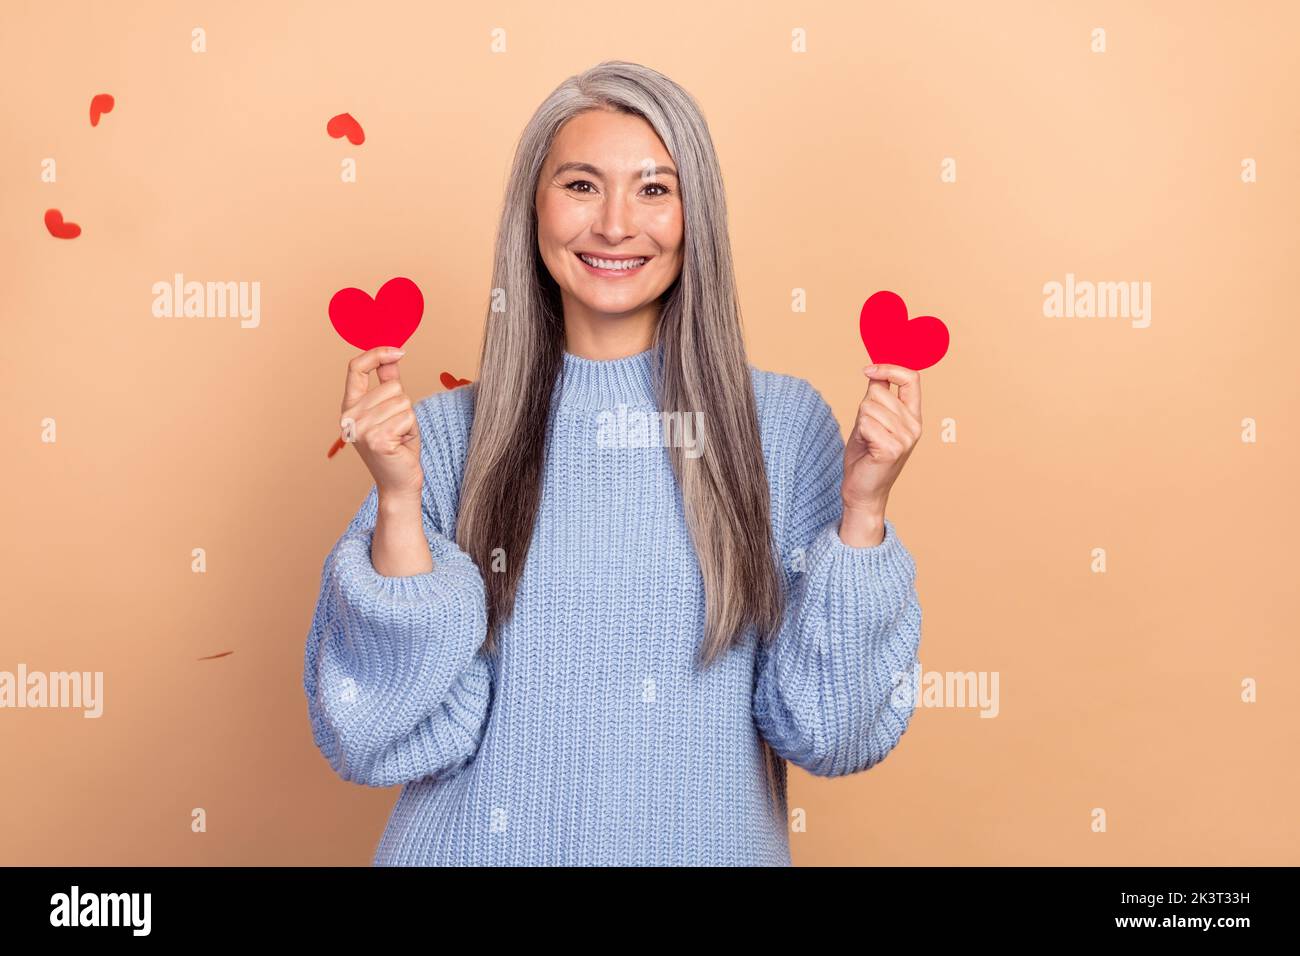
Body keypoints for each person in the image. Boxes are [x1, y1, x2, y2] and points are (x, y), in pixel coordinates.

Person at [303, 60, 924, 866]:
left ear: (696, 215)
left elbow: (828, 729)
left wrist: (864, 512)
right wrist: (396, 499)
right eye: (582, 186)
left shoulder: (782, 426)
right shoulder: (446, 439)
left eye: (655, 189)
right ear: (534, 209)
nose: (615, 225)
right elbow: (372, 732)